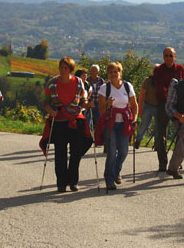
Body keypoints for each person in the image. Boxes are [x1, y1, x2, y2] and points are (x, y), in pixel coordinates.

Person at [40, 57, 93, 192]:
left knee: (76, 153)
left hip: (75, 121)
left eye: (66, 68)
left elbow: (83, 101)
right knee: (60, 154)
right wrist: (50, 110)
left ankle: (73, 181)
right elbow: (46, 102)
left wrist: (88, 105)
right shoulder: (52, 83)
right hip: (59, 122)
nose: (63, 70)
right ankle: (61, 183)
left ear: (71, 69)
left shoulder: (79, 82)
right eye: (61, 68)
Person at [95, 62, 138, 191]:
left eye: (116, 71)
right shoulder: (104, 88)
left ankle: (116, 171)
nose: (113, 74)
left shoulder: (127, 86)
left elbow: (134, 105)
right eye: (111, 72)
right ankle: (109, 179)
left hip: (124, 122)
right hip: (110, 123)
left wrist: (134, 120)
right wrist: (108, 104)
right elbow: (101, 110)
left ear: (120, 73)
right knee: (112, 152)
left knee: (124, 151)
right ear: (108, 74)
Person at [153, 47, 184, 172]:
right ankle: (162, 162)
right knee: (161, 134)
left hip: (178, 104)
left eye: (170, 55)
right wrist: (169, 99)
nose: (168, 58)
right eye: (166, 55)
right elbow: (160, 87)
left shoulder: (180, 69)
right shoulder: (158, 70)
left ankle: (176, 160)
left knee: (180, 132)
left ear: (175, 56)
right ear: (163, 57)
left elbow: (182, 85)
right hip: (162, 103)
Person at [135, 72, 158, 149]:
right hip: (148, 105)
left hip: (159, 107)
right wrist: (140, 108)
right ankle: (138, 141)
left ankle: (157, 144)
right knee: (144, 124)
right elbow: (141, 94)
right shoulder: (147, 81)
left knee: (158, 126)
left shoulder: (162, 81)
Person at [88, 64, 105, 129]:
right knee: (88, 123)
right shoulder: (87, 81)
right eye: (92, 70)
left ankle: (98, 137)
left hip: (99, 104)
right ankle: (89, 137)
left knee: (99, 123)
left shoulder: (101, 81)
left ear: (98, 72)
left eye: (95, 71)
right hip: (89, 104)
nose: (93, 72)